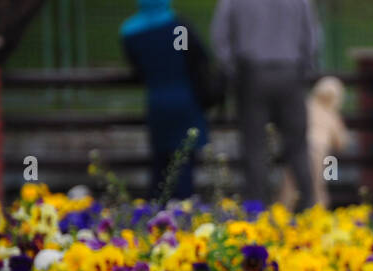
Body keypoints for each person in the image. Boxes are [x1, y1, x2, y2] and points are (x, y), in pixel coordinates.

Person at [211, 0, 320, 210]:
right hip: (291, 73)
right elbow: (312, 36)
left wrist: (232, 69)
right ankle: (309, 206)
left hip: (251, 75)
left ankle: (257, 209)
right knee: (298, 145)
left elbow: (220, 37)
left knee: (253, 147)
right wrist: (304, 67)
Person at [120, 0, 212, 201]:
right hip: (185, 101)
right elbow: (200, 60)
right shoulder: (179, 27)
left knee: (160, 169)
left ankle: (156, 217)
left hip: (157, 103)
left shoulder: (130, 33)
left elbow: (140, 69)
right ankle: (182, 217)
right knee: (184, 169)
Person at [277, 76, 350, 210]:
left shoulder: (307, 105)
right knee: (317, 189)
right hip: (319, 152)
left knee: (290, 186)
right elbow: (341, 143)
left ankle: (279, 217)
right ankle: (318, 217)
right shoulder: (332, 115)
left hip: (298, 147)